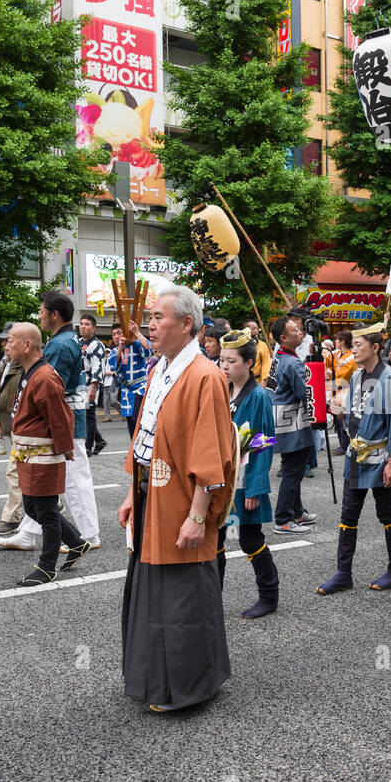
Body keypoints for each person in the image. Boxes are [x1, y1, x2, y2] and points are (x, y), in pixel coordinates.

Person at [117, 286, 234, 712]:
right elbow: (143, 442)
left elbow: (211, 453)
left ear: (187, 325)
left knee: (182, 593)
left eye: (158, 317)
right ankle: (155, 679)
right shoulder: (160, 369)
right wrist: (133, 493)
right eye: (150, 317)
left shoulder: (206, 376)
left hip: (184, 499)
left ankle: (190, 685)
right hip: (153, 493)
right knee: (150, 587)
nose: (150, 324)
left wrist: (198, 516)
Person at [0, 293, 101, 553]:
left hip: (65, 422)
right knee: (45, 483)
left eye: (42, 310)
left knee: (73, 480)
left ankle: (88, 534)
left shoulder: (60, 345)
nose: (39, 314)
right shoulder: (64, 340)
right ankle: (29, 533)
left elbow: (50, 390)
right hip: (69, 419)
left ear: (54, 314)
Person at [318, 324, 391, 595]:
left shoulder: (390, 378)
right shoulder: (357, 377)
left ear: (376, 348)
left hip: (381, 457)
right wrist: (341, 413)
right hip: (356, 454)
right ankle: (343, 574)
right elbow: (357, 415)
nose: (353, 349)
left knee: (388, 514)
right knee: (348, 516)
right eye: (353, 345)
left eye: (358, 345)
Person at [5, 323, 89, 585]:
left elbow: (61, 417)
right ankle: (75, 543)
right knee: (33, 507)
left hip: (43, 455)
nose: (6, 345)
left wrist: (65, 451)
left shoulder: (44, 376)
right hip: (30, 454)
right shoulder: (32, 372)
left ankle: (46, 567)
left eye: (10, 341)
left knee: (46, 511)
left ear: (27, 344)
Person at [215, 329, 280, 619]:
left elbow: (264, 443)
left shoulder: (258, 396)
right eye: (221, 360)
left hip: (245, 479)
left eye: (231, 361)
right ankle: (211, 597)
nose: (225, 366)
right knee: (214, 539)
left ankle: (269, 597)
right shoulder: (222, 390)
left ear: (249, 363)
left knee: (250, 541)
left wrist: (255, 487)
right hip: (220, 479)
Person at [269, 315, 316, 534]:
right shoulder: (292, 362)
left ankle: (296, 511)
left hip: (281, 418)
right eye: (295, 330)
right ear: (283, 338)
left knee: (292, 468)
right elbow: (305, 393)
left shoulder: (279, 357)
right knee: (293, 471)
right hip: (293, 421)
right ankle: (283, 518)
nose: (300, 332)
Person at [0, 333, 25, 538]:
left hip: (21, 424)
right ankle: (53, 504)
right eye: (3, 341)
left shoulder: (25, 366)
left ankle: (12, 519)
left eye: (9, 341)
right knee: (21, 471)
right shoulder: (4, 363)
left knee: (15, 472)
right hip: (7, 421)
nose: (5, 345)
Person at [110, 322, 151, 438]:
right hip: (126, 389)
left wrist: (136, 333)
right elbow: (114, 366)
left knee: (137, 418)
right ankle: (133, 451)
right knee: (130, 421)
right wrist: (120, 348)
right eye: (114, 334)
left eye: (119, 333)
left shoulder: (137, 344)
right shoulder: (114, 351)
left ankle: (141, 449)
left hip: (141, 386)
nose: (117, 336)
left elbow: (148, 350)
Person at [78, 315, 107, 457]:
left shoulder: (97, 345)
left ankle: (88, 446)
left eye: (87, 324)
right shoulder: (78, 342)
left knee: (89, 415)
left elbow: (98, 367)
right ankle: (99, 440)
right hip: (79, 384)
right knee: (82, 414)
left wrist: (94, 388)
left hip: (90, 384)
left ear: (94, 328)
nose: (83, 326)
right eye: (81, 324)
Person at [327, 330, 355, 454]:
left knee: (343, 419)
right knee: (338, 418)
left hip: (346, 389)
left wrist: (331, 374)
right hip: (337, 390)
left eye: (337, 339)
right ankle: (343, 444)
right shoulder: (338, 353)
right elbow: (327, 360)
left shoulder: (351, 356)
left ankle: (345, 445)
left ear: (342, 341)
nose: (335, 342)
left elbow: (342, 375)